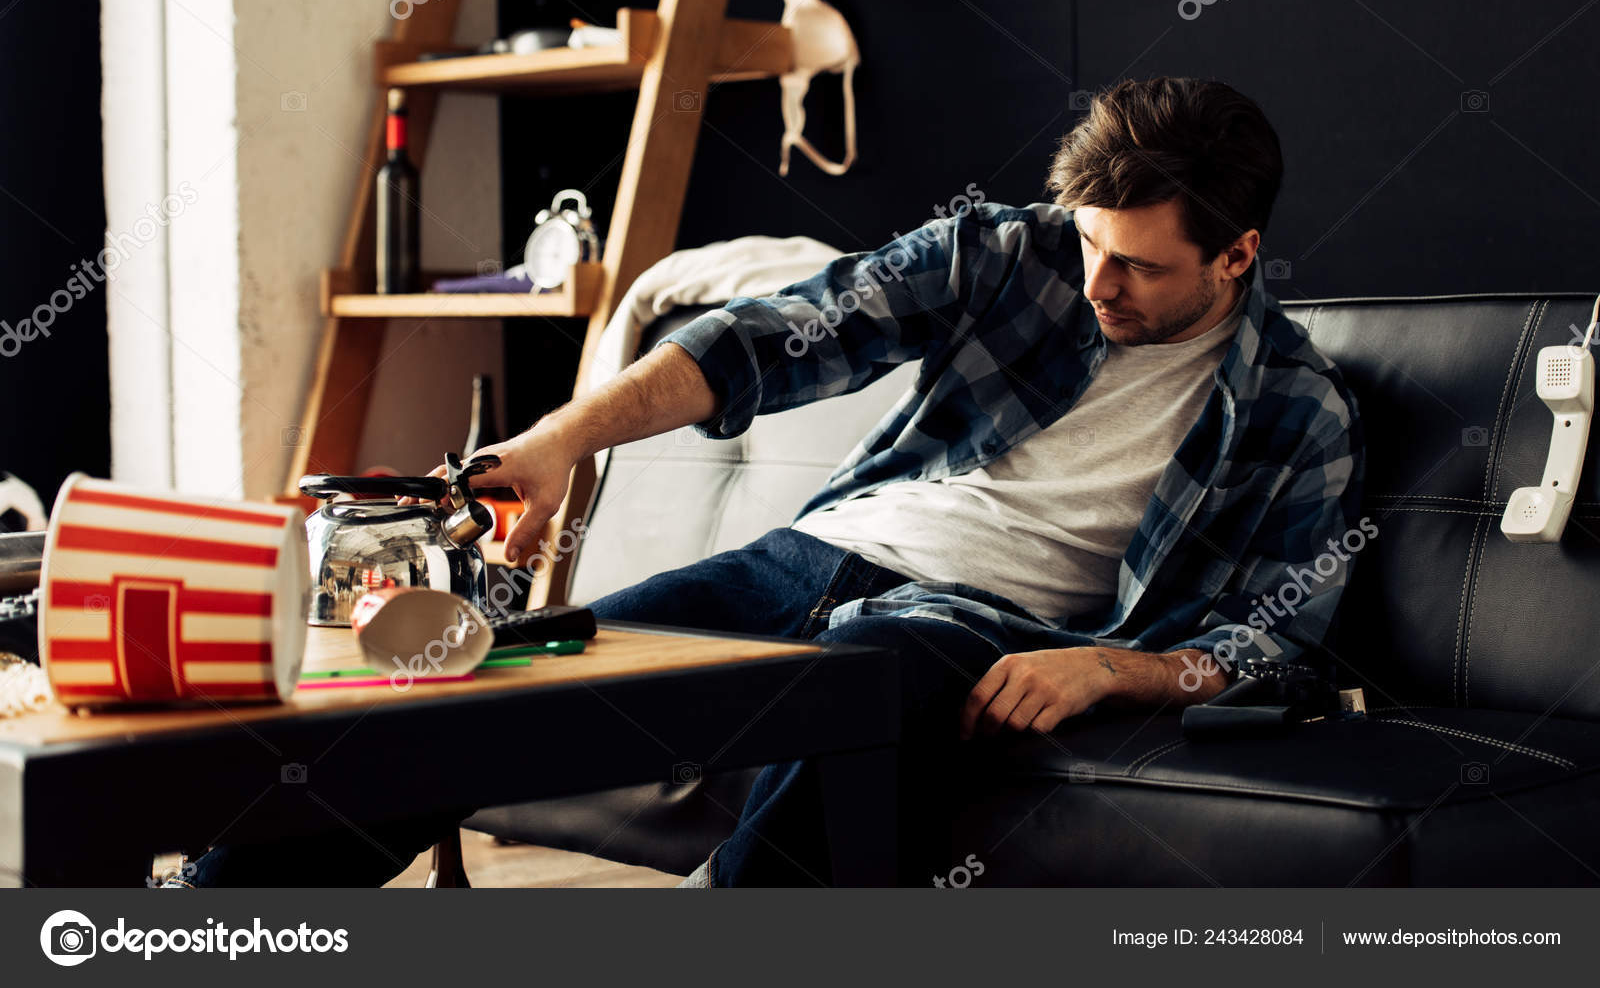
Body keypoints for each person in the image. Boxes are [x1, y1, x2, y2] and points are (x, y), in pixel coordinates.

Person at [169, 76, 1365, 888]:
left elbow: (1279, 644)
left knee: (857, 689)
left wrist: (1108, 667)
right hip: (808, 559)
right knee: (502, 691)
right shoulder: (1010, 253)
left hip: (962, 627)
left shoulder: (1293, 411)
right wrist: (558, 440)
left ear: (1236, 254)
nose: (1096, 283)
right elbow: (766, 338)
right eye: (1090, 242)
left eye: (1138, 267)